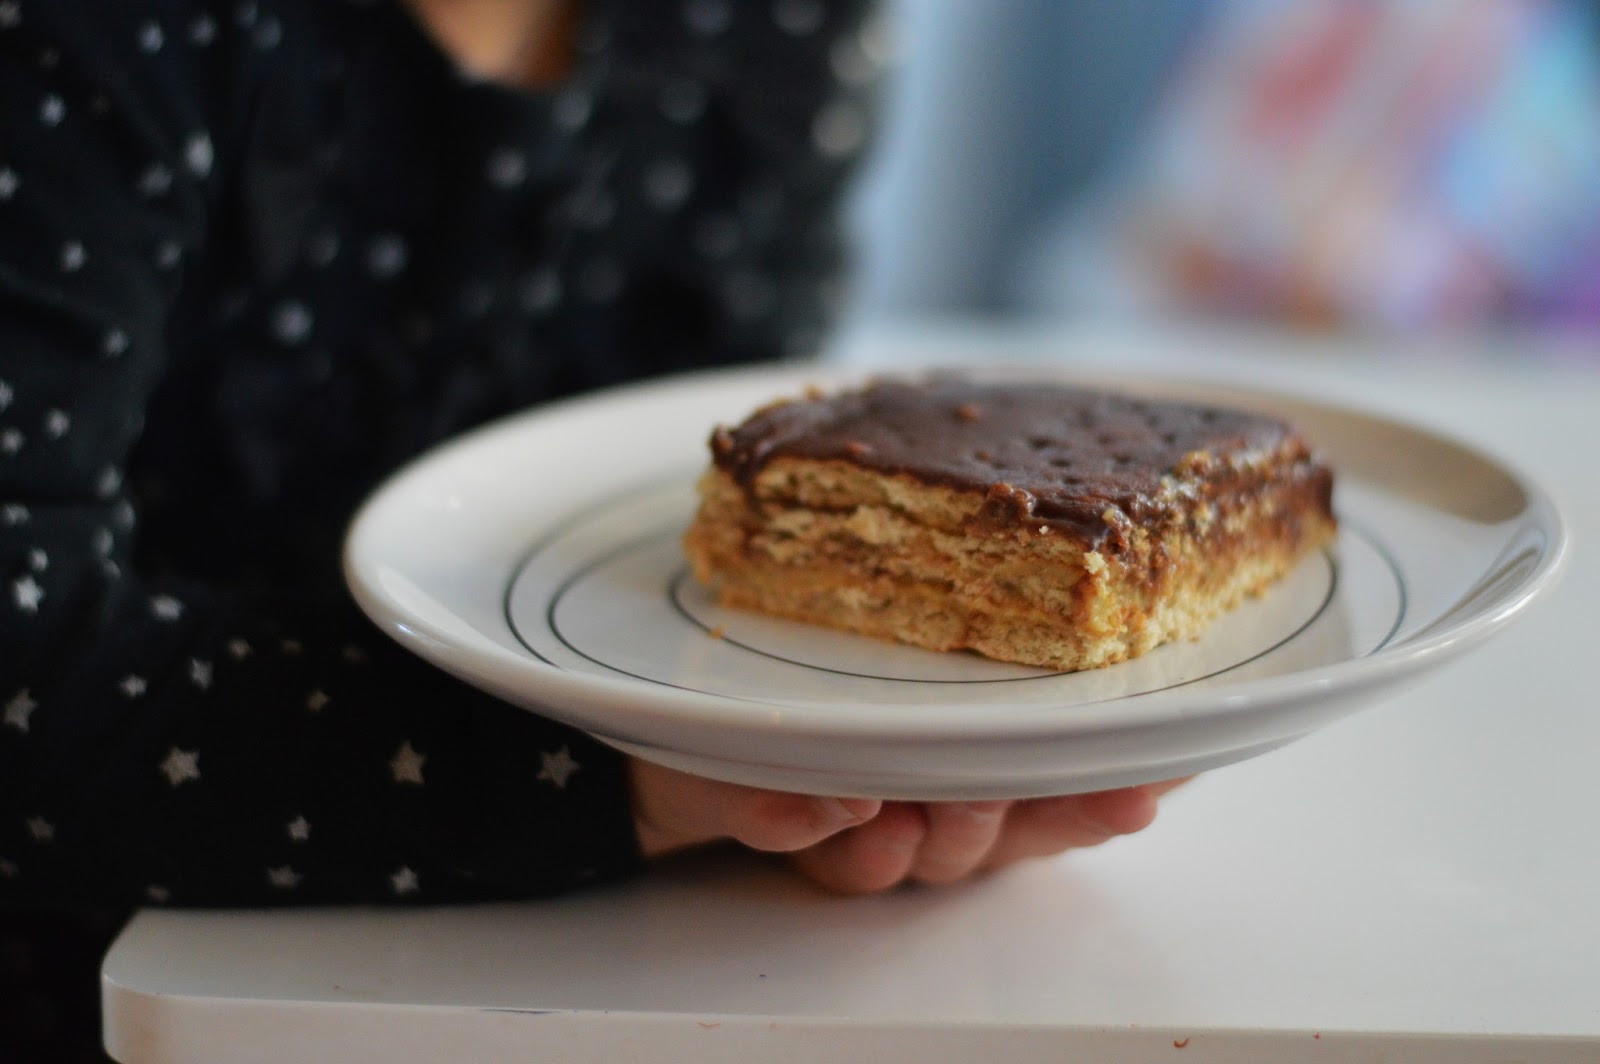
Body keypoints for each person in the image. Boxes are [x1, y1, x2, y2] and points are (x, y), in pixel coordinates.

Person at [0, 1, 1180, 1058]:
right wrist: (628, 784)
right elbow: (28, 681)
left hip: (631, 953)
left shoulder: (772, 28)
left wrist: (824, 752)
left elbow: (713, 529)